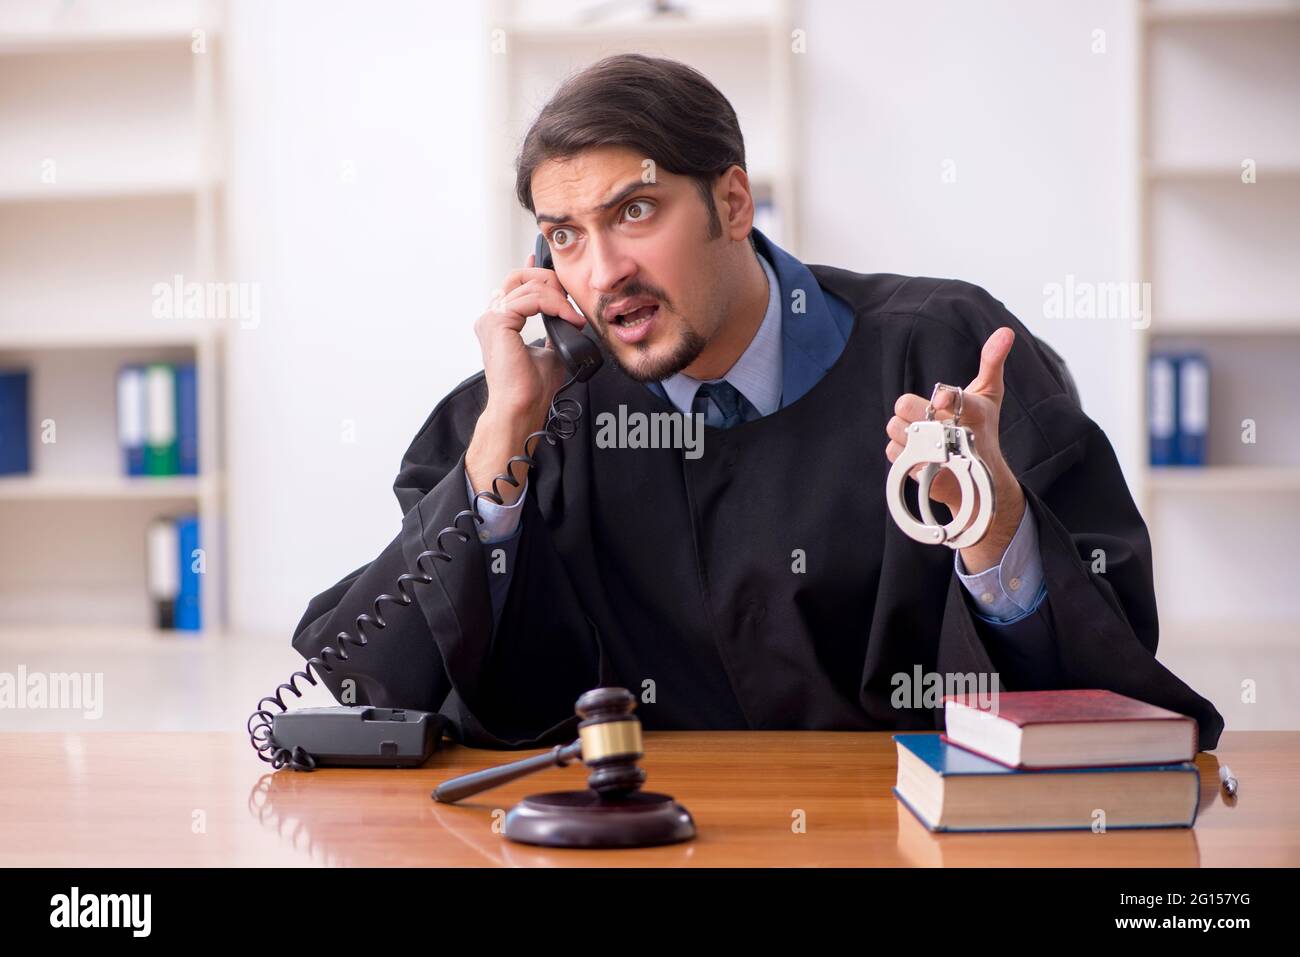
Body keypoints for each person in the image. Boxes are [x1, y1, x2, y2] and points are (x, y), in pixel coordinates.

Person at [292, 54, 1223, 751]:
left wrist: (993, 529)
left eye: (636, 212)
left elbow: (1106, 686)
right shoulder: (531, 411)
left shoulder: (941, 351)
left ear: (734, 202)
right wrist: (498, 457)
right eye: (564, 236)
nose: (604, 270)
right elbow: (384, 687)